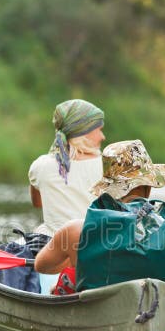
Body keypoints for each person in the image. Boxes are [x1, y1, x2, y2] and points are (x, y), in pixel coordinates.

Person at [34, 140, 165, 294]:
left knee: (55, 289)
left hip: (98, 315)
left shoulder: (77, 230)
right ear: (148, 187)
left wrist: (79, 258)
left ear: (108, 189)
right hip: (159, 313)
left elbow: (41, 266)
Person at [28, 99, 106, 236]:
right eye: (99, 130)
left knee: (40, 230)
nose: (102, 137)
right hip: (95, 244)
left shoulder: (40, 166)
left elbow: (38, 203)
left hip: (56, 247)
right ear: (84, 131)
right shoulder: (107, 165)